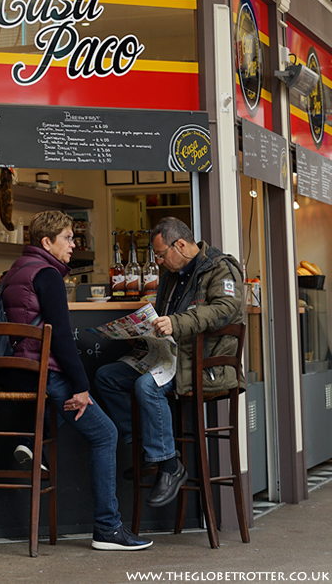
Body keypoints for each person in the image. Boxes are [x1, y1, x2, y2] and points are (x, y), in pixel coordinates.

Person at [1, 209, 152, 551]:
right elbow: (60, 340)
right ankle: (107, 528)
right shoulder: (48, 276)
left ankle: (34, 438)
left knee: (70, 421)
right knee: (106, 433)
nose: (73, 245)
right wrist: (82, 387)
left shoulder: (14, 271)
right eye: (67, 238)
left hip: (19, 373)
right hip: (46, 374)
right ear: (46, 242)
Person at [94, 217, 245, 508]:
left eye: (161, 254)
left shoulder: (221, 267)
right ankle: (146, 450)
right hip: (168, 356)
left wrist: (176, 323)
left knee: (146, 386)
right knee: (107, 376)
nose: (160, 261)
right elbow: (161, 318)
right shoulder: (170, 278)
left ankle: (168, 466)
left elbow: (226, 310)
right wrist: (140, 333)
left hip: (203, 363)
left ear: (180, 244)